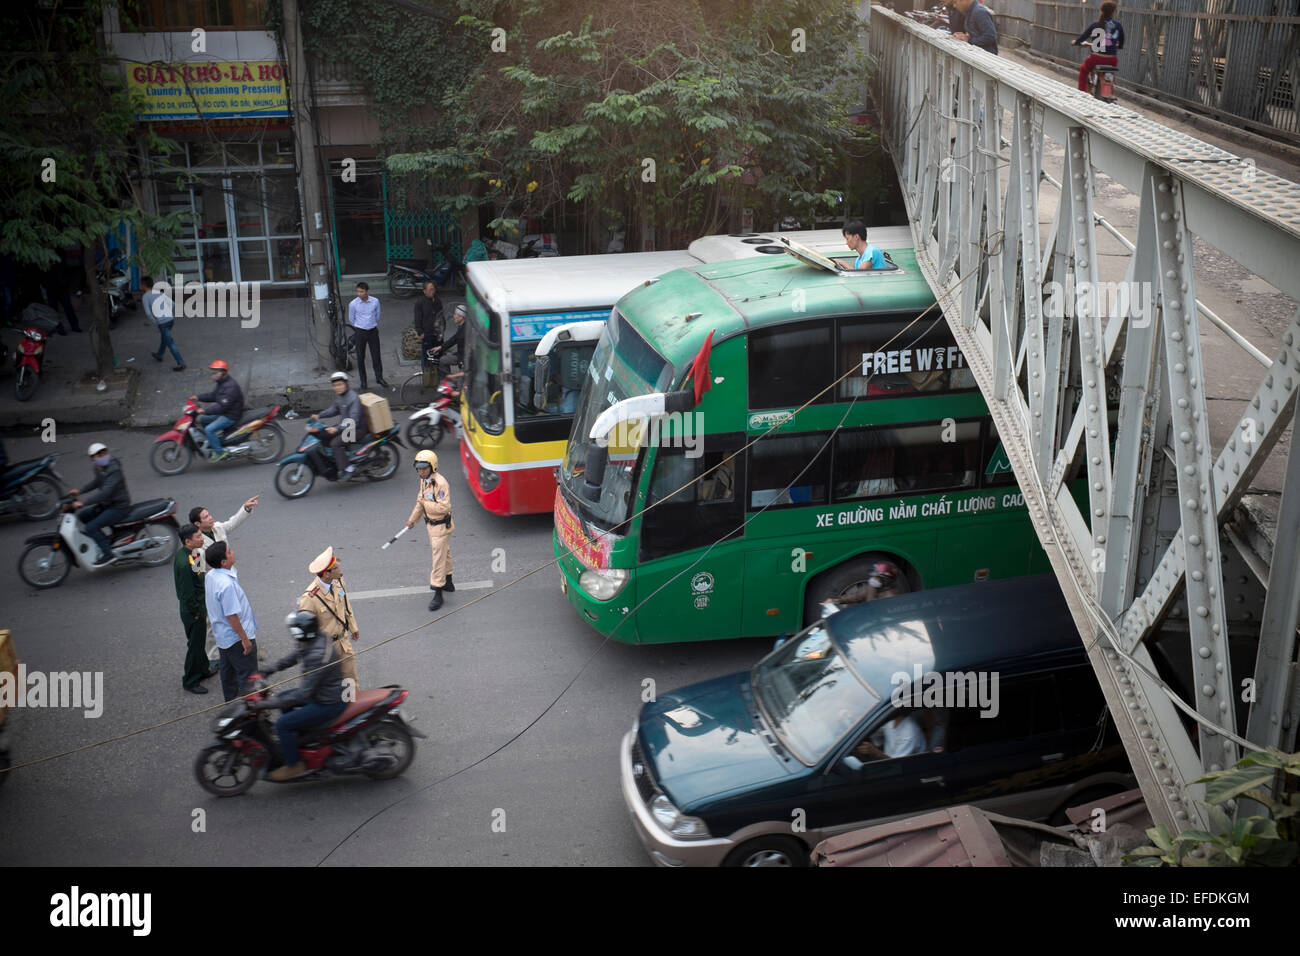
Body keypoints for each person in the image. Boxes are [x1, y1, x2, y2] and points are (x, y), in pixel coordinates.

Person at [250, 610, 347, 782]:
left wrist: (265, 705)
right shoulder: (313, 639)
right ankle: (297, 742)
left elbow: (303, 694)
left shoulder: (317, 655)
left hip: (328, 703)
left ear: (302, 633)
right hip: (321, 693)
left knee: (282, 725)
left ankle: (294, 764)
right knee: (283, 700)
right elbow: (295, 656)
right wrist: (268, 670)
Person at [190, 496, 261, 664]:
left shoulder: (217, 529)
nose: (210, 518)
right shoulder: (196, 547)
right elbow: (197, 574)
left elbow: (232, 522)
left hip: (229, 577)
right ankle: (215, 655)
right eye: (206, 517)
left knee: (237, 611)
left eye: (209, 514)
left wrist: (245, 508)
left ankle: (243, 639)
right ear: (197, 525)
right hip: (214, 585)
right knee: (214, 621)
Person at [298, 546, 360, 690]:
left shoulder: (338, 581)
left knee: (350, 682)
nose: (340, 567)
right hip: (325, 651)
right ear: (326, 574)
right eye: (336, 566)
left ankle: (350, 708)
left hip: (343, 644)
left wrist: (352, 626)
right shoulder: (309, 598)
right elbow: (304, 634)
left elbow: (345, 604)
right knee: (328, 688)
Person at [204, 541, 260, 702]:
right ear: (223, 561)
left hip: (223, 637)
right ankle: (249, 714)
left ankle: (231, 706)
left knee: (227, 674)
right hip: (236, 638)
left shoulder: (211, 576)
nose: (233, 552)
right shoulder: (226, 585)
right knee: (248, 678)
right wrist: (245, 640)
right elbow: (232, 616)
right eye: (229, 552)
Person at [405, 449, 455, 611]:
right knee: (444, 553)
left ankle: (437, 592)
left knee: (438, 560)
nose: (420, 471)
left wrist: (425, 503)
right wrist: (412, 520)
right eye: (418, 468)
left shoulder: (440, 483)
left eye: (424, 468)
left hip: (440, 525)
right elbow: (420, 502)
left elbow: (443, 507)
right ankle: (449, 582)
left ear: (432, 467)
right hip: (431, 525)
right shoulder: (424, 480)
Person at [67, 441, 130, 565]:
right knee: (83, 516)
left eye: (104, 453)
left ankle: (108, 555)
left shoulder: (114, 469)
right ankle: (102, 541)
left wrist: (83, 503)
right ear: (92, 459)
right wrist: (79, 491)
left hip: (119, 507)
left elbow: (105, 492)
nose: (103, 457)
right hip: (107, 504)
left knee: (90, 527)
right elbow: (96, 483)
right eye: (98, 455)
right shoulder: (98, 468)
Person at [173, 524, 215, 694]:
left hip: (200, 605)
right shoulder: (184, 563)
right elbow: (187, 594)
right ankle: (190, 680)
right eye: (198, 537)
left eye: (201, 535)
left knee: (200, 642)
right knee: (195, 645)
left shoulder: (194, 553)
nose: (202, 538)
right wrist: (197, 611)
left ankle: (203, 669)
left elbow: (200, 577)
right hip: (193, 611)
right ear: (187, 541)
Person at [312, 371, 370, 480]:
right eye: (334, 385)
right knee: (324, 435)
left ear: (346, 383)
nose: (337, 388)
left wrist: (337, 429)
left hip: (357, 429)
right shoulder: (341, 397)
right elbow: (334, 409)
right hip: (346, 425)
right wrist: (319, 415)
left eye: (339, 384)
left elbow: (354, 420)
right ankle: (337, 461)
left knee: (335, 443)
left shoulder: (353, 398)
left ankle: (348, 469)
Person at [190, 359, 244, 461]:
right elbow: (213, 396)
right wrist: (198, 397)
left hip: (231, 415)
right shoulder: (221, 383)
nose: (213, 374)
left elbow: (222, 406)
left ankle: (220, 453)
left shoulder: (230, 387)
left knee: (209, 429)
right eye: (212, 372)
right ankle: (213, 441)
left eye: (215, 372)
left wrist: (205, 411)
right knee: (203, 420)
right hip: (225, 412)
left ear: (223, 372)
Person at [1072, 1, 1124, 92]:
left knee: (1083, 70)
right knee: (1111, 74)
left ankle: (1080, 93)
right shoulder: (1118, 25)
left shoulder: (1095, 25)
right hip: (1112, 60)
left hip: (1096, 58)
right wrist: (1119, 46)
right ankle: (1110, 90)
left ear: (1101, 11)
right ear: (1113, 12)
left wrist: (1075, 42)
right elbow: (1122, 41)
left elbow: (1083, 37)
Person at [348, 281, 390, 390]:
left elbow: (378, 315)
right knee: (360, 357)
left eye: (361, 291)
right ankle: (363, 381)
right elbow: (351, 319)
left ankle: (379, 377)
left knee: (376, 355)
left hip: (372, 331)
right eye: (357, 291)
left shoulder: (375, 301)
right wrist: (360, 326)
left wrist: (371, 324)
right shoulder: (353, 304)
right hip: (360, 332)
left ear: (367, 291)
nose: (359, 294)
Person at [142, 275, 184, 371]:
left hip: (162, 322)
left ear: (144, 285)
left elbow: (148, 313)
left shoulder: (145, 297)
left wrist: (155, 321)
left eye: (140, 284)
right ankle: (159, 354)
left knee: (170, 342)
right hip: (170, 320)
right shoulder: (159, 293)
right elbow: (173, 304)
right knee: (165, 338)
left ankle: (180, 363)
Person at [855, 712, 928, 761]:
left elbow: (897, 764)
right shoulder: (890, 720)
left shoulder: (910, 732)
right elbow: (875, 735)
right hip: (886, 763)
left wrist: (874, 752)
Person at [414, 281, 444, 388]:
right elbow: (417, 318)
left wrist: (442, 331)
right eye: (430, 290)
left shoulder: (437, 301)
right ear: (424, 291)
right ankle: (427, 380)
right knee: (426, 356)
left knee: (438, 356)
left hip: (437, 334)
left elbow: (441, 316)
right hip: (426, 334)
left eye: (433, 289)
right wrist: (420, 332)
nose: (432, 291)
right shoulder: (420, 302)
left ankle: (438, 379)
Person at [433, 303, 466, 375]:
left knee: (461, 384)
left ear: (461, 317)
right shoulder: (462, 326)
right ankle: (449, 382)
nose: (453, 316)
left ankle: (451, 381)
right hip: (461, 355)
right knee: (443, 360)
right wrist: (441, 347)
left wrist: (462, 362)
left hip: (465, 359)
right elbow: (454, 338)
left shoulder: (464, 332)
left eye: (455, 314)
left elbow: (469, 349)